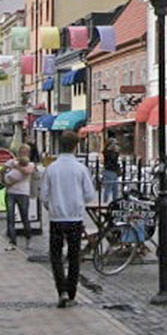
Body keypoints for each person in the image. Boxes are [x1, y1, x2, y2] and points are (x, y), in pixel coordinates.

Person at [40, 130, 97, 307]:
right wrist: (78, 202)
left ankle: (61, 290)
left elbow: (44, 195)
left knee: (56, 255)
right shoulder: (80, 169)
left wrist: (52, 207)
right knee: (74, 256)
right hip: (74, 217)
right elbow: (89, 194)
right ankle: (71, 292)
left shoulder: (52, 168)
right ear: (75, 146)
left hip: (57, 218)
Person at [3, 145, 37, 251]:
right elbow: (1, 171)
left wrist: (16, 166)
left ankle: (28, 239)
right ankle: (12, 241)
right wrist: (3, 181)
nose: (23, 153)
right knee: (10, 217)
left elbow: (27, 172)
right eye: (21, 151)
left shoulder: (30, 164)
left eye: (25, 151)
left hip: (23, 193)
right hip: (10, 192)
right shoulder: (11, 162)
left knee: (24, 216)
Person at [102, 138, 122, 204]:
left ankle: (114, 202)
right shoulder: (108, 152)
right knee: (109, 187)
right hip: (110, 171)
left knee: (115, 188)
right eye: (115, 144)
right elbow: (112, 160)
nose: (116, 145)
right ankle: (105, 202)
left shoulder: (110, 152)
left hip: (112, 171)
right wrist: (116, 152)